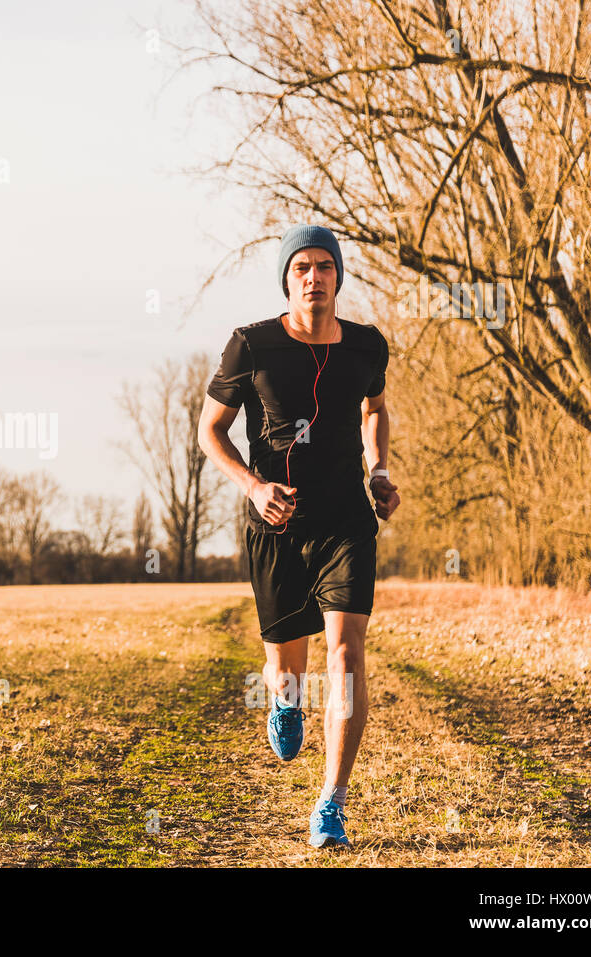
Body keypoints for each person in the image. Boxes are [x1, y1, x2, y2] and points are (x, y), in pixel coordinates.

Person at [196, 224, 400, 849]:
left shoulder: (367, 348)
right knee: (288, 665)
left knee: (346, 655)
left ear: (339, 277)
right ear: (288, 280)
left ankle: (331, 804)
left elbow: (375, 408)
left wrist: (380, 470)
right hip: (276, 529)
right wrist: (253, 487)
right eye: (302, 268)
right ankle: (284, 701)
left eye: (324, 267)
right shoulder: (251, 346)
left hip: (346, 523)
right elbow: (211, 431)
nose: (314, 278)